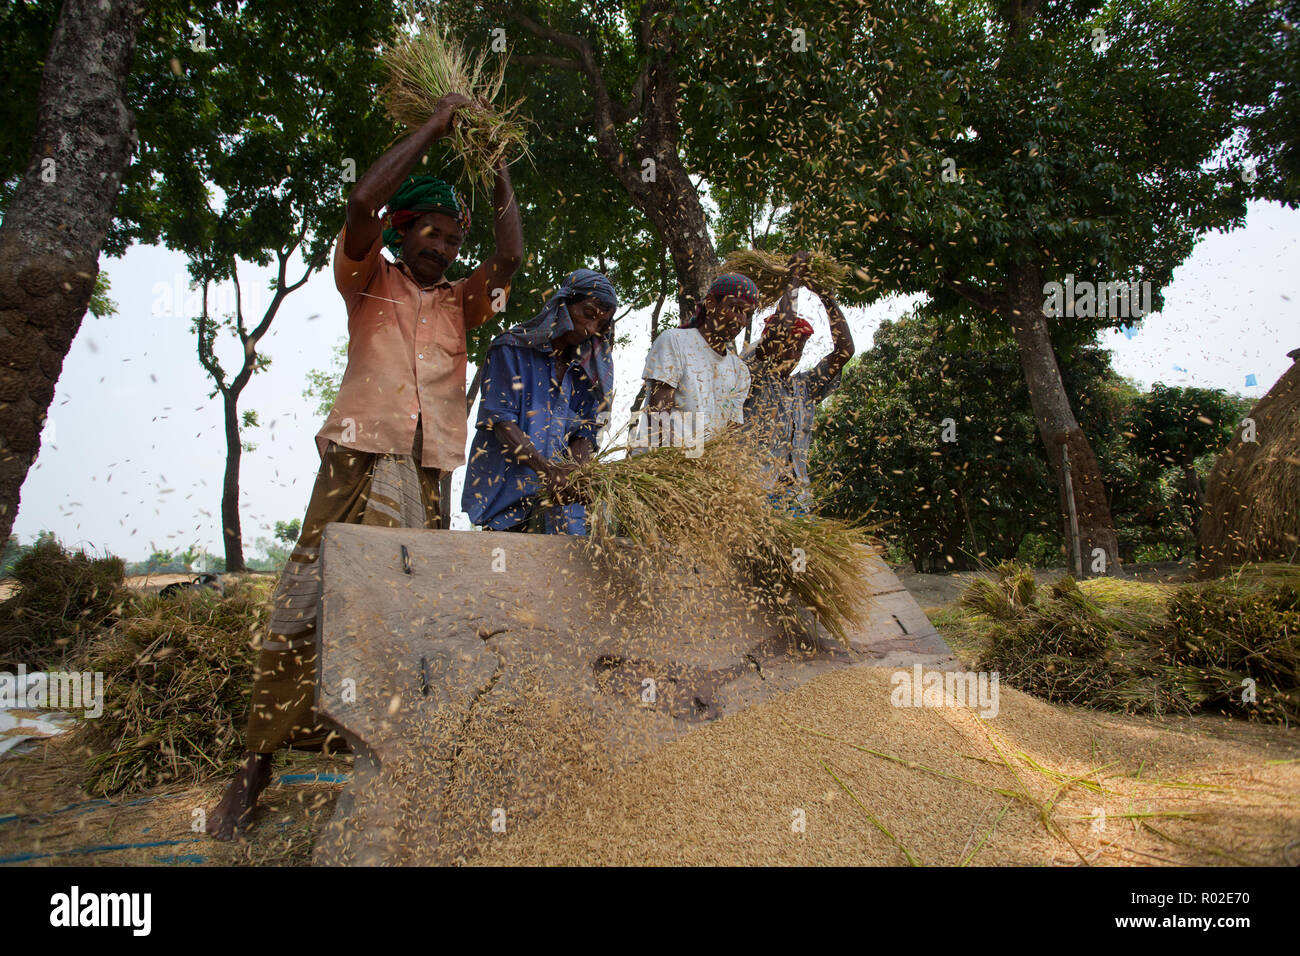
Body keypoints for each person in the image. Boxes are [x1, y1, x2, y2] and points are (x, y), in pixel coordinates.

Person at [206, 92, 523, 840]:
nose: (442, 250)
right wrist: (436, 127)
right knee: (306, 604)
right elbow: (359, 201)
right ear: (403, 230)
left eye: (452, 240)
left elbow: (507, 255)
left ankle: (391, 758)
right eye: (431, 234)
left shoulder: (463, 304)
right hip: (356, 463)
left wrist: (500, 162)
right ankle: (256, 763)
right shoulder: (367, 281)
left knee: (412, 622)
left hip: (427, 479)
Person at [462, 269, 618, 534]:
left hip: (559, 516)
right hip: (503, 508)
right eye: (588, 314)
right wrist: (546, 471)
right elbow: (502, 423)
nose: (590, 329)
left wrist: (575, 473)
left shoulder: (586, 376)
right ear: (562, 306)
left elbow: (584, 433)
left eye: (601, 325)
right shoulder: (510, 350)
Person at [742, 253, 855, 509]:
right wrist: (794, 278)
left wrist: (826, 296)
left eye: (799, 347)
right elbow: (783, 325)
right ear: (770, 344)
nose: (793, 354)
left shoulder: (804, 387)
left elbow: (845, 351)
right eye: (788, 345)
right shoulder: (750, 375)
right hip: (752, 494)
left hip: (797, 499)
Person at [639, 273, 758, 449]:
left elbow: (730, 433)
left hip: (704, 470)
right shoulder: (675, 341)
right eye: (735, 308)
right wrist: (683, 465)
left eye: (748, 314)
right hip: (661, 464)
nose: (740, 320)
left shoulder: (739, 371)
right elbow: (658, 414)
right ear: (710, 303)